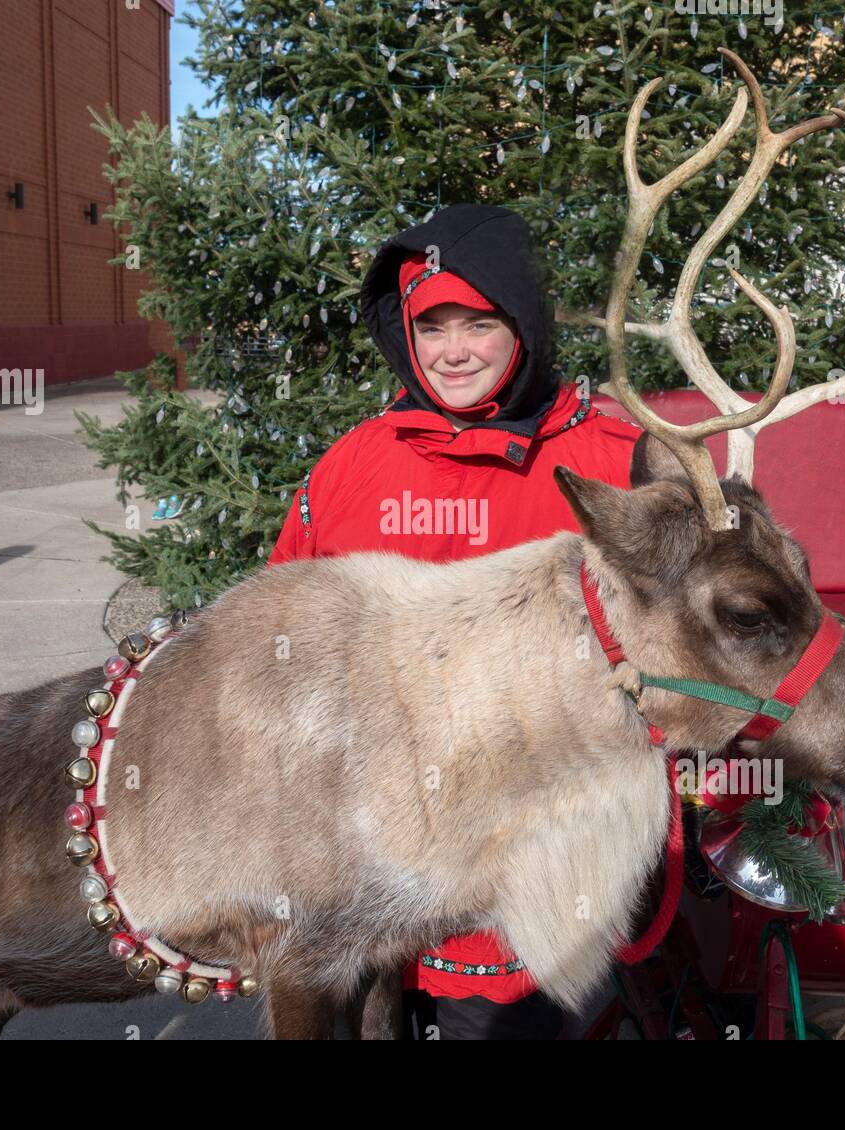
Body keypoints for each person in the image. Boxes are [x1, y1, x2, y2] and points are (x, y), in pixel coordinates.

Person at [268, 202, 646, 1039]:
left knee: (491, 1023)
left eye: (478, 323)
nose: (452, 351)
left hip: (529, 836)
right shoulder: (356, 464)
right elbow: (282, 617)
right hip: (362, 832)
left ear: (523, 326)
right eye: (431, 326)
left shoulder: (612, 462)